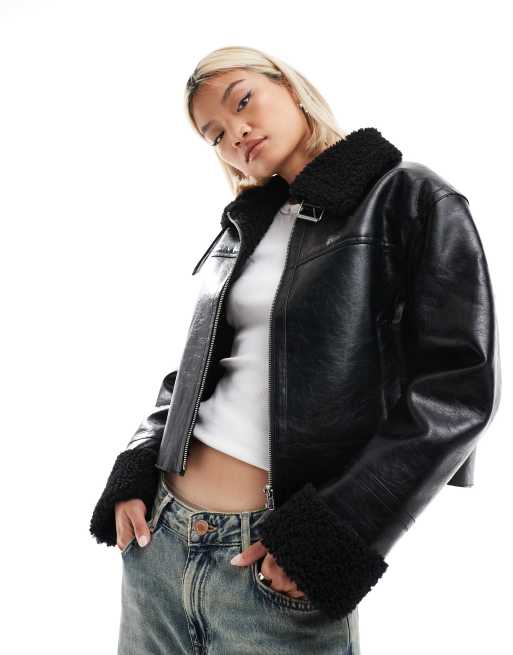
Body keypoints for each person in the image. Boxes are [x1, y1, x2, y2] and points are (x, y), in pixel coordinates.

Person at [89, 45, 501, 655]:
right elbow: (196, 371)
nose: (236, 134)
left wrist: (330, 539)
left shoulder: (408, 196)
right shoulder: (249, 223)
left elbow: (458, 389)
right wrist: (136, 465)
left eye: (243, 101)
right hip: (160, 541)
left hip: (272, 562)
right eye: (215, 135)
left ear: (288, 85)